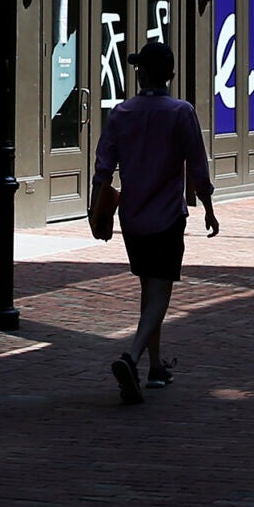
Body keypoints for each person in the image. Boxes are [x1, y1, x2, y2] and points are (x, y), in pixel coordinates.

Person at [91, 38, 217, 404]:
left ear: (142, 73)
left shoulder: (120, 113)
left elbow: (102, 169)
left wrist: (96, 213)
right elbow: (197, 165)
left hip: (132, 218)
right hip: (166, 218)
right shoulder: (181, 112)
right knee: (160, 295)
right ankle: (131, 358)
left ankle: (156, 367)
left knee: (149, 291)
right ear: (171, 75)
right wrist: (208, 207)